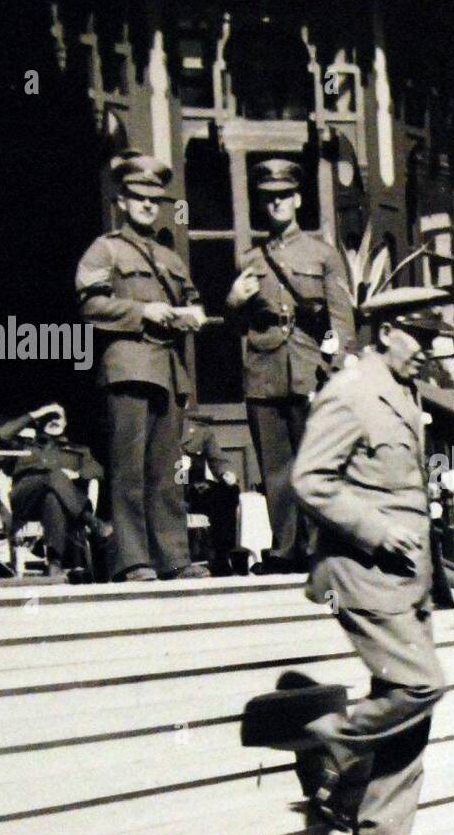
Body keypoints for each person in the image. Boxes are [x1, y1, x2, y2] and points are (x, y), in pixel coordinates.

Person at [291, 284, 451, 835]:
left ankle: (381, 833)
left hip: (406, 574)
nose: (430, 351)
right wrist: (377, 531)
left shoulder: (401, 393)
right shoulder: (351, 392)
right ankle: (326, 738)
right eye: (423, 337)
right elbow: (309, 481)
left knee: (406, 699)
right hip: (362, 570)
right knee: (419, 686)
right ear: (386, 332)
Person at [75, 152, 209, 581]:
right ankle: (133, 560)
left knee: (167, 471)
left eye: (155, 198)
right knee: (128, 469)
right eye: (138, 196)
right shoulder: (106, 249)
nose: (148, 205)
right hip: (129, 365)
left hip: (167, 369)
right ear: (122, 201)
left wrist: (195, 314)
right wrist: (142, 311)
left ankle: (174, 557)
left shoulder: (169, 258)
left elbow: (190, 299)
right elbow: (90, 305)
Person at [225, 159, 356, 573]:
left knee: (313, 461)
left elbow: (341, 319)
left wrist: (333, 367)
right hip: (263, 368)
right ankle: (285, 551)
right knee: (276, 466)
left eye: (283, 196)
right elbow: (235, 324)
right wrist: (232, 302)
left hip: (308, 366)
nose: (276, 204)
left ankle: (319, 549)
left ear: (298, 199)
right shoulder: (249, 259)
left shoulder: (323, 255)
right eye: (268, 198)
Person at [0, 403, 111, 578]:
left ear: (65, 423)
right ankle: (91, 521)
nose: (53, 420)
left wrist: (78, 474)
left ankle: (54, 562)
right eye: (48, 417)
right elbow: (1, 435)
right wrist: (36, 413)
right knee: (53, 476)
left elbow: (97, 472)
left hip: (60, 501)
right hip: (25, 497)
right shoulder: (24, 445)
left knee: (52, 497)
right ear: (39, 422)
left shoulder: (77, 450)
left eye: (57, 417)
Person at [180, 407, 240, 572]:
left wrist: (227, 473)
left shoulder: (199, 430)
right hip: (164, 491)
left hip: (193, 490)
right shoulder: (159, 428)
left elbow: (218, 459)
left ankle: (221, 556)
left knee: (227, 493)